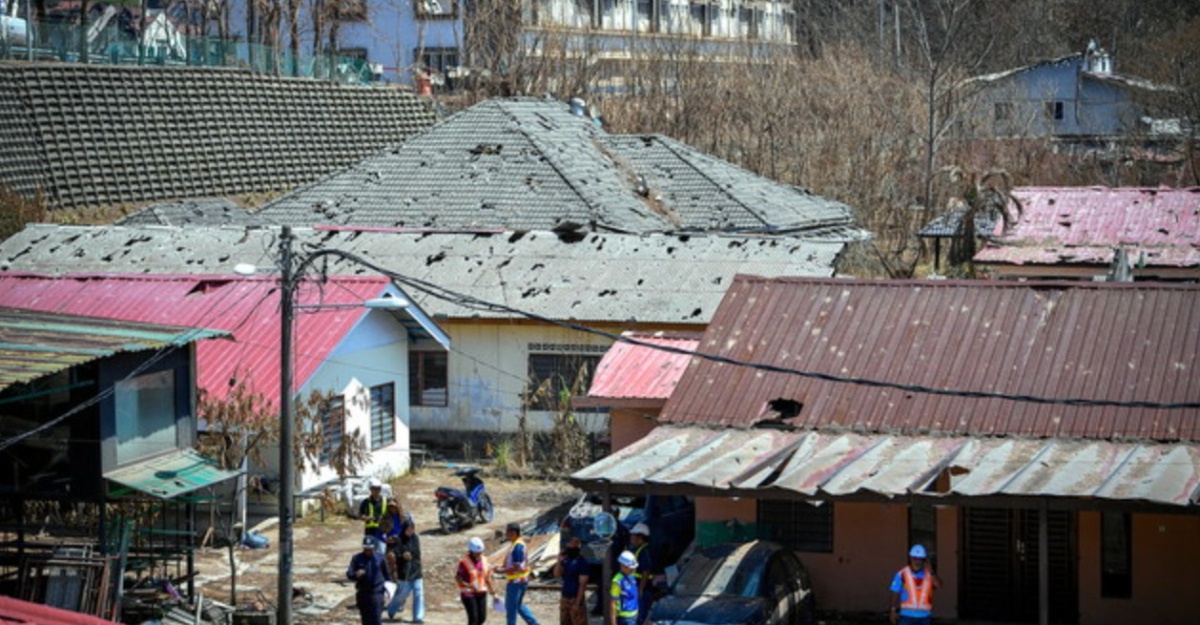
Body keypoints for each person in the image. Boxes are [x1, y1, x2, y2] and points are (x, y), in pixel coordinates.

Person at [889, 544, 941, 625]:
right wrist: (893, 610)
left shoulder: (929, 574)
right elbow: (895, 591)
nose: (917, 561)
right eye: (915, 558)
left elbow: (938, 585)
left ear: (924, 561)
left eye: (920, 559)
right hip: (906, 616)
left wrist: (932, 573)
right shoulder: (902, 573)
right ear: (910, 558)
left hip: (924, 616)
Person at [386, 519, 424, 623]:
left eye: (412, 529)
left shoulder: (415, 538)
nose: (411, 531)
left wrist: (410, 554)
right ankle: (391, 610)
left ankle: (418, 617)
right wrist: (402, 556)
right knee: (401, 596)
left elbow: (416, 551)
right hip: (404, 574)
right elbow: (396, 553)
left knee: (418, 595)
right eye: (409, 529)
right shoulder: (399, 540)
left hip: (416, 572)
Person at [501, 522, 540, 625]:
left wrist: (502, 571)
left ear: (513, 532)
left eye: (507, 532)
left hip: (515, 582)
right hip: (521, 580)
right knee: (518, 605)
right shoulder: (518, 544)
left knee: (511, 608)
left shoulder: (517, 546)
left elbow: (516, 566)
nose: (506, 534)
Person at [347, 536, 389, 625]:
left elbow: (387, 575)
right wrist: (356, 574)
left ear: (374, 547)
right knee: (366, 619)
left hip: (377, 592)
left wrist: (387, 591)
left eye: (370, 548)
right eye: (366, 548)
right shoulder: (357, 558)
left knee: (376, 619)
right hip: (363, 592)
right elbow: (349, 574)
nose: (368, 550)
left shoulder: (380, 558)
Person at [457, 536, 497, 625]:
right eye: (477, 553)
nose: (479, 555)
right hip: (468, 593)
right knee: (473, 619)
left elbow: (487, 576)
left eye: (480, 553)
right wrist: (469, 585)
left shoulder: (484, 560)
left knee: (482, 618)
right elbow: (458, 578)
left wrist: (493, 591)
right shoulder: (464, 562)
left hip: (481, 592)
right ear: (471, 552)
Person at [553, 536, 590, 625]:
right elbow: (557, 574)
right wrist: (558, 561)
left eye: (574, 544)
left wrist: (577, 603)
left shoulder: (582, 562)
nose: (571, 546)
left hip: (575, 598)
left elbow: (582, 585)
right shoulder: (566, 560)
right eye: (571, 544)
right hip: (565, 597)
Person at [628, 523, 653, 625]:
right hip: (636, 587)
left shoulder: (644, 551)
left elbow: (646, 571)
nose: (631, 537)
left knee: (638, 617)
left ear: (640, 537)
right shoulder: (637, 549)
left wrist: (640, 589)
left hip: (642, 589)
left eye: (633, 535)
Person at [609, 551, 639, 625]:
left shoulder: (632, 575)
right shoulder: (617, 581)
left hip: (634, 614)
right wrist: (613, 623)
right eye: (630, 568)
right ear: (623, 566)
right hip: (625, 618)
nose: (633, 570)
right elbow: (612, 603)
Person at [359, 478, 387, 552]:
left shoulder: (385, 501)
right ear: (371, 489)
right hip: (370, 532)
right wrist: (367, 518)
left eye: (378, 489)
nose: (376, 491)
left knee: (381, 552)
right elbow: (361, 515)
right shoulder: (366, 502)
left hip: (382, 531)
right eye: (374, 489)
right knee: (370, 552)